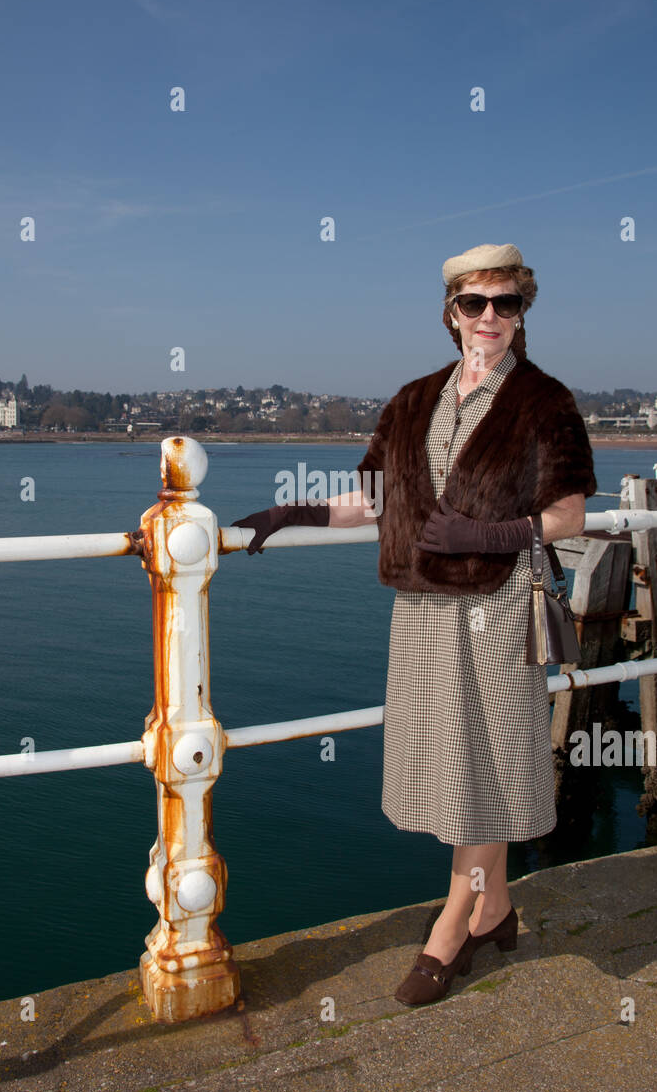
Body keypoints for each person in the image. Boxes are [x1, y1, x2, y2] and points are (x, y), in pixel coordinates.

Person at [233, 243, 597, 1006]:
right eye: (475, 304)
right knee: (454, 761)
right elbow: (371, 500)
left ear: (522, 311)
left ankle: (453, 926)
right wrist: (290, 514)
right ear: (451, 313)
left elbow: (568, 515)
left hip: (498, 604)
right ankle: (496, 909)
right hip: (424, 608)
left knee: (488, 763)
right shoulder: (411, 399)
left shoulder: (545, 400)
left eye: (506, 304)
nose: (489, 317)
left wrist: (493, 535)